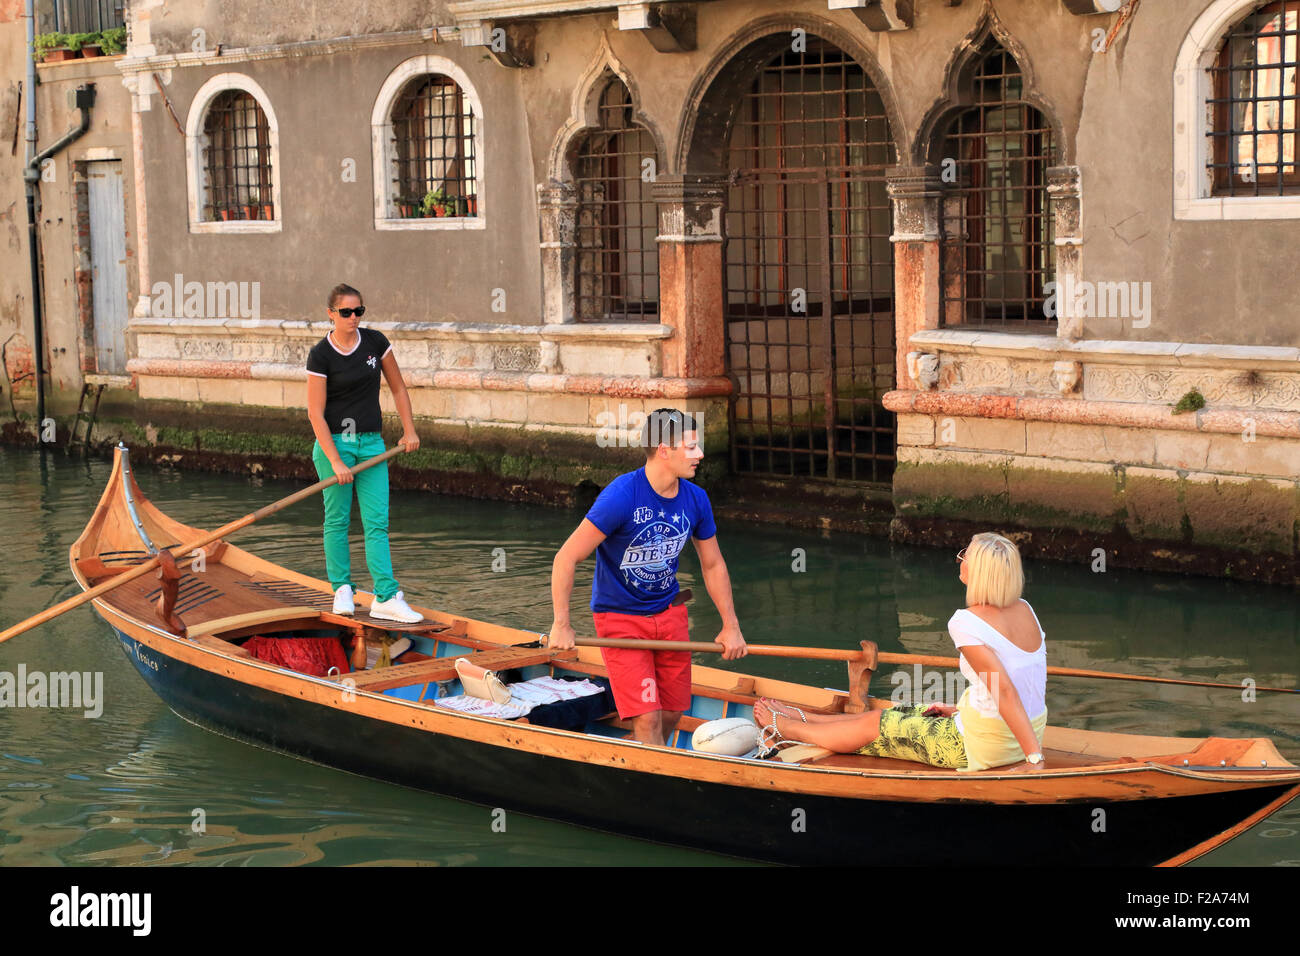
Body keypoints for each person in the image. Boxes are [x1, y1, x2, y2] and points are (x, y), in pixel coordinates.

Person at [753, 532, 1047, 771]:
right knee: (905, 711)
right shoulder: (1026, 610)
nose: (960, 561)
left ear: (980, 572)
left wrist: (1034, 759)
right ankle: (805, 717)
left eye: (964, 555)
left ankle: (789, 728)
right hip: (1020, 731)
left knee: (878, 722)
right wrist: (961, 709)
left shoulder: (966, 622)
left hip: (982, 745)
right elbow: (1023, 683)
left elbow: (1006, 691)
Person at [547, 408, 747, 746]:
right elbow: (566, 557)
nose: (700, 455)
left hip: (670, 615)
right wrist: (562, 623)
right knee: (648, 716)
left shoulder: (696, 499)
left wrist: (731, 625)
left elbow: (712, 565)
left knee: (672, 711)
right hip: (621, 621)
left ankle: (653, 758)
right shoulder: (621, 495)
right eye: (691, 447)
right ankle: (657, 778)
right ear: (665, 451)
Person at [305, 283, 423, 624]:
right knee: (337, 520)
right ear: (331, 314)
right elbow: (315, 413)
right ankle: (342, 589)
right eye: (346, 312)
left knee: (377, 523)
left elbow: (398, 388)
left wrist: (409, 429)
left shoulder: (376, 343)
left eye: (359, 311)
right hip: (334, 445)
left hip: (372, 444)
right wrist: (336, 461)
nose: (354, 318)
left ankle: (385, 596)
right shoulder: (321, 355)